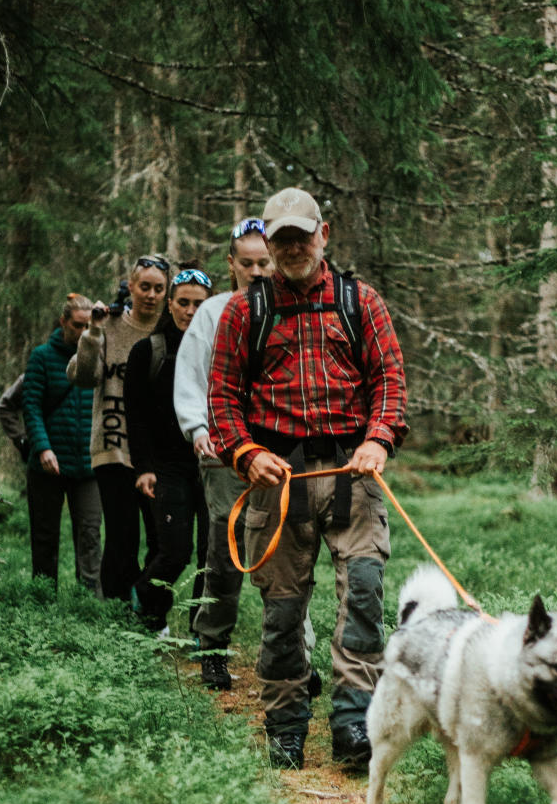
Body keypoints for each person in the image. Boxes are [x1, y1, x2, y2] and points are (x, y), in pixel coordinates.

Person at [208, 188, 408, 770]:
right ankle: (286, 724)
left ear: (325, 233)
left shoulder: (360, 301)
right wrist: (246, 453)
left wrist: (377, 439)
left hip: (353, 473)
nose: (294, 247)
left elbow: (389, 381)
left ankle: (353, 721)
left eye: (303, 236)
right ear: (269, 244)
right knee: (282, 612)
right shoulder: (244, 311)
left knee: (364, 595)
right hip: (277, 480)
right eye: (282, 239)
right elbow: (222, 399)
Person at [174, 218, 273, 688]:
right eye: (247, 263)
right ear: (231, 264)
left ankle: (290, 653)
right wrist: (197, 429)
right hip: (225, 451)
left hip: (278, 449)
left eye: (264, 262)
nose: (256, 271)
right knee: (226, 551)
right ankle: (213, 646)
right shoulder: (213, 312)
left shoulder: (288, 308)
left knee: (284, 553)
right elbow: (191, 374)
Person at [67, 255, 170, 601]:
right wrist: (93, 332)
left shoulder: (169, 330)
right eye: (145, 286)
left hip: (157, 453)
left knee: (161, 538)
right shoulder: (109, 325)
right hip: (113, 447)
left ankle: (148, 606)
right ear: (131, 285)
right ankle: (117, 610)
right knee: (122, 538)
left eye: (159, 288)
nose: (151, 295)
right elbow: (82, 377)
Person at [124, 266, 212, 634]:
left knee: (211, 554)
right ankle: (149, 611)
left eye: (199, 304)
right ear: (170, 304)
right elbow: (136, 417)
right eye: (184, 302)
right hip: (166, 467)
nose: (190, 311)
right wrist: (144, 467)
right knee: (175, 551)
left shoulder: (219, 350)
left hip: (211, 463)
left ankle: (203, 632)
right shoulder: (148, 351)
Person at [21, 293, 101, 595]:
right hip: (48, 463)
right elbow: (31, 406)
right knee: (45, 536)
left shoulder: (99, 354)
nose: (82, 332)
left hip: (88, 464)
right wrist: (43, 448)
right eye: (77, 325)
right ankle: (43, 598)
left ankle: (89, 600)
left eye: (87, 326)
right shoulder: (42, 356)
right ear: (63, 322)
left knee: (90, 533)